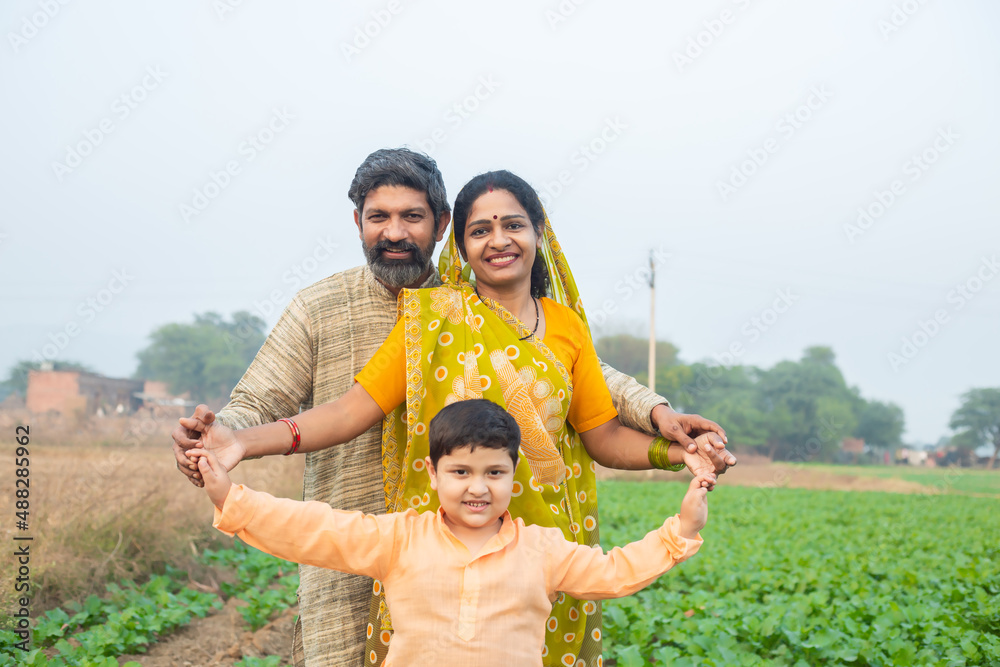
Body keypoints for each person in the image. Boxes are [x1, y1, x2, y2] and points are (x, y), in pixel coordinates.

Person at [173, 149, 734, 667]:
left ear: (539, 233)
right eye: (481, 230)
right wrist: (240, 441)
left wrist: (673, 446)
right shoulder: (427, 319)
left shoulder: (566, 328)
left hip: (537, 549)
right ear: (461, 245)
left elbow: (603, 434)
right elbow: (347, 412)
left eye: (513, 224)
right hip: (428, 547)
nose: (498, 240)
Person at [190, 399, 711, 667]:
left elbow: (613, 572)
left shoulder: (541, 549)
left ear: (513, 476)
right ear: (434, 474)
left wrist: (681, 529)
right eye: (460, 473)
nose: (477, 488)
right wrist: (231, 500)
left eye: (494, 473)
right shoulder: (399, 539)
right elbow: (318, 530)